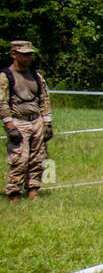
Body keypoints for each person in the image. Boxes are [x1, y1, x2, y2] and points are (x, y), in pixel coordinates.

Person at [2, 40, 53, 202]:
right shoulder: (6, 77)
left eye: (30, 54)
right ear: (14, 54)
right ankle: (14, 193)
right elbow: (1, 102)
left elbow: (44, 98)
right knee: (19, 159)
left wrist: (47, 122)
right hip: (18, 121)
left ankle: (33, 190)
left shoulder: (36, 76)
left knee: (38, 157)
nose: (28, 57)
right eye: (24, 55)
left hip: (36, 121)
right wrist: (9, 125)